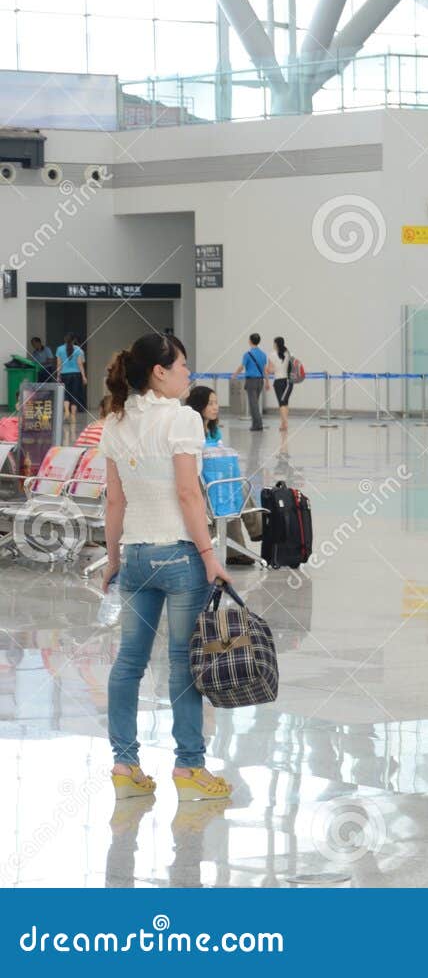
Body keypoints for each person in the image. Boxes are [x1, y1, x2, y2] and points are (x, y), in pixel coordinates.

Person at [100, 333, 233, 803]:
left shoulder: (114, 423)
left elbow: (114, 500)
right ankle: (190, 768)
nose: (188, 374)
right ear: (159, 372)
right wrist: (210, 556)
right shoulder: (183, 419)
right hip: (179, 555)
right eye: (182, 366)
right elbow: (188, 493)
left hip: (135, 554)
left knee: (128, 663)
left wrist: (113, 557)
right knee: (183, 664)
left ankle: (124, 765)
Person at [185, 384, 251, 564]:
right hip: (201, 481)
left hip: (216, 478)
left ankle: (240, 548)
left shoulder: (214, 430)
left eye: (216, 403)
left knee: (237, 487)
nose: (216, 407)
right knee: (235, 490)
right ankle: (252, 535)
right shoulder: (191, 430)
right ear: (199, 405)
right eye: (211, 403)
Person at [232, 333, 271, 432]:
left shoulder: (248, 354)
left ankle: (258, 425)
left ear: (250, 341)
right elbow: (265, 370)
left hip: (251, 381)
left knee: (253, 404)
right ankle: (255, 424)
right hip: (260, 381)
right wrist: (267, 382)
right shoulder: (263, 354)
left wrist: (234, 375)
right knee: (255, 403)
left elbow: (242, 366)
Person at [56, 334, 88, 423]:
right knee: (74, 395)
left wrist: (58, 375)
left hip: (64, 374)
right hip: (76, 374)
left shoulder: (59, 349)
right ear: (74, 340)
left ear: (65, 340)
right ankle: (73, 415)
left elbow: (59, 364)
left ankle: (66, 411)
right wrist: (84, 376)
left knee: (65, 394)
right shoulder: (78, 349)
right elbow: (80, 364)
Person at [270, 336, 294, 433]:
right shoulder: (289, 353)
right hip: (289, 382)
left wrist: (267, 370)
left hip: (278, 381)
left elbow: (270, 370)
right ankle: (283, 423)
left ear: (276, 344)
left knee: (281, 403)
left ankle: (285, 423)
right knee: (285, 403)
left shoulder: (272, 355)